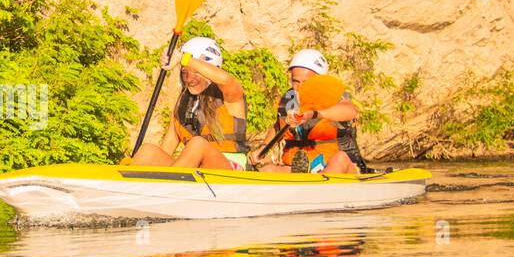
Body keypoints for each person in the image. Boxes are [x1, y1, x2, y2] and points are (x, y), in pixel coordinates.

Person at [130, 36, 252, 171]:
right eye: (184, 72)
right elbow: (165, 151)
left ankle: (171, 185)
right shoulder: (182, 106)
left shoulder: (230, 95)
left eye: (197, 72)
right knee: (148, 152)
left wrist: (184, 59)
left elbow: (225, 79)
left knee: (198, 144)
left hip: (231, 171)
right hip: (196, 172)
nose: (189, 79)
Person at [251, 48, 369, 174]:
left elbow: (350, 111)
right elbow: (278, 127)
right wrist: (263, 148)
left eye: (306, 82)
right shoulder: (290, 99)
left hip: (338, 167)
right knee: (268, 170)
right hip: (304, 168)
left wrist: (316, 114)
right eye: (296, 81)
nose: (300, 87)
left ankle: (320, 188)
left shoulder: (335, 95)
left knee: (339, 160)